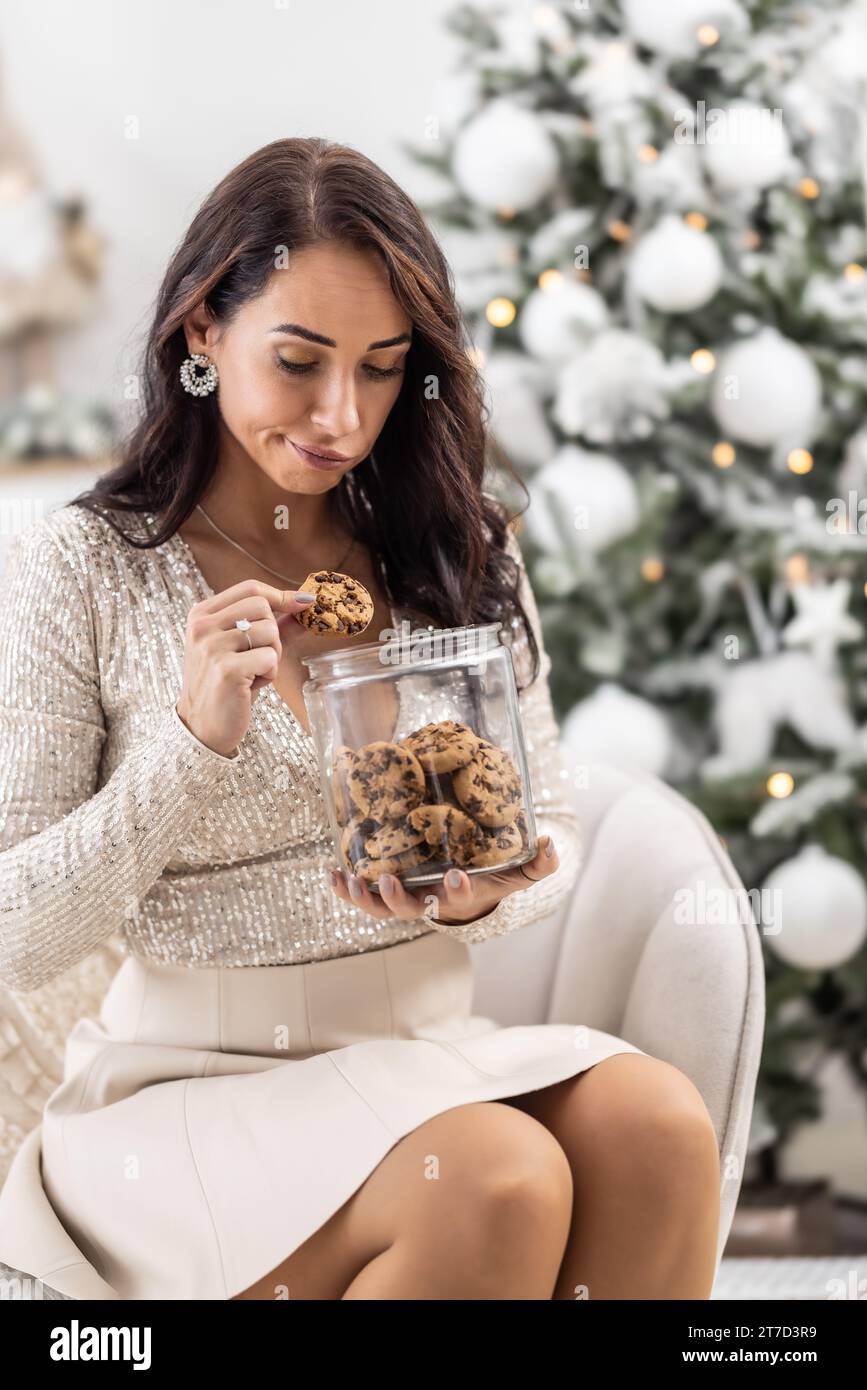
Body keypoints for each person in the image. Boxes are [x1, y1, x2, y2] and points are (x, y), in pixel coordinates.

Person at [0, 137, 720, 1300]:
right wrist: (186, 749)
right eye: (299, 360)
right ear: (201, 330)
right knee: (495, 1178)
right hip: (190, 1090)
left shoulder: (456, 550)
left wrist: (492, 886)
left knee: (658, 1127)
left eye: (383, 368)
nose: (341, 413)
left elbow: (550, 822)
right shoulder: (80, 570)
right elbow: (14, 931)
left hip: (417, 1050)